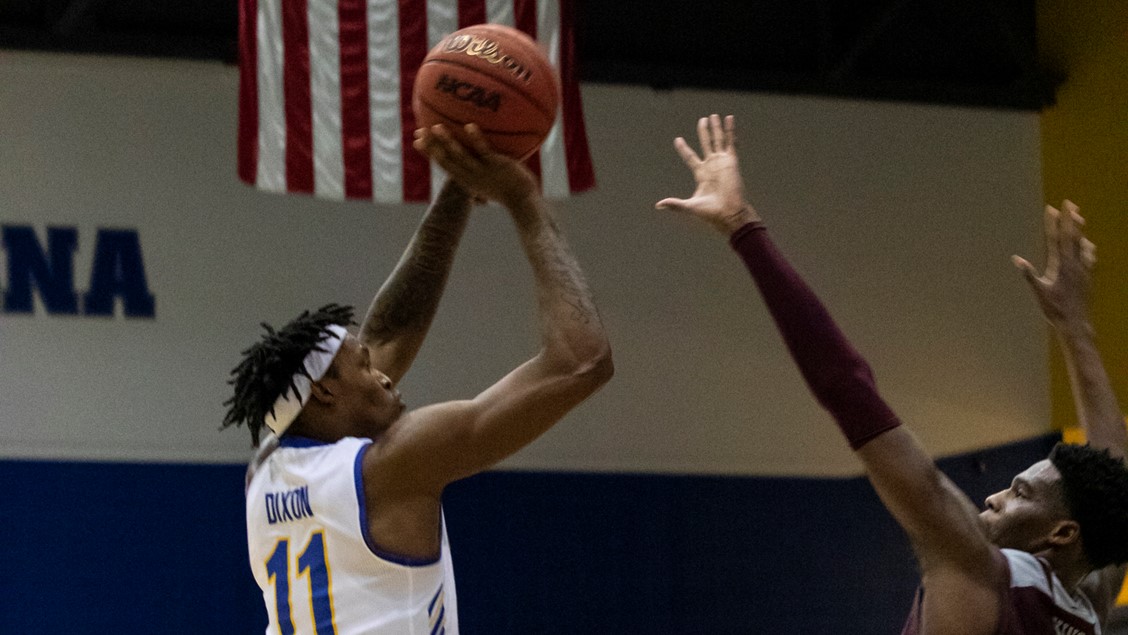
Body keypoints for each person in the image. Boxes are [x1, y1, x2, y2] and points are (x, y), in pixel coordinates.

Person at [656, 114, 1128, 634]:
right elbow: (1118, 470)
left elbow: (846, 384)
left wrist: (743, 226)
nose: (993, 496)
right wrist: (1074, 328)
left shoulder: (974, 561)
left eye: (1019, 493)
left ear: (1060, 534)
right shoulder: (1087, 609)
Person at [224, 123, 613, 635]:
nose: (383, 377)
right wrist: (521, 198)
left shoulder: (264, 469)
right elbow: (582, 361)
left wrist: (458, 187)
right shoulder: (390, 468)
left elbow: (389, 333)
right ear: (322, 390)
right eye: (363, 368)